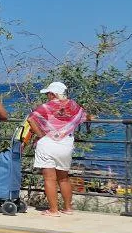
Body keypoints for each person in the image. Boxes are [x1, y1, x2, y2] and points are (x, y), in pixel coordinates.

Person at [28, 81, 89, 216]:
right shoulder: (73, 105)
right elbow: (85, 117)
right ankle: (68, 208)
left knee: (49, 179)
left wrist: (41, 136)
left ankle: (53, 210)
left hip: (48, 143)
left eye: (48, 94)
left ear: (52, 94)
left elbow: (31, 119)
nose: (47, 96)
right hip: (66, 144)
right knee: (64, 178)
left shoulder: (46, 107)